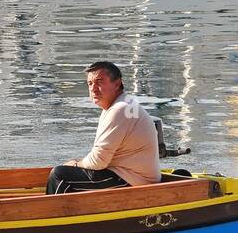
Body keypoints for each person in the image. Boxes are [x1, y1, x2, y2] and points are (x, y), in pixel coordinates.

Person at [46, 61, 160, 195]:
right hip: (130, 175)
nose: (93, 88)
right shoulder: (122, 104)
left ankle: (52, 214)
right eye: (90, 83)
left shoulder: (121, 109)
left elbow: (99, 161)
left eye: (99, 82)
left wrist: (75, 164)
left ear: (117, 84)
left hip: (135, 180)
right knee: (66, 170)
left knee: (60, 175)